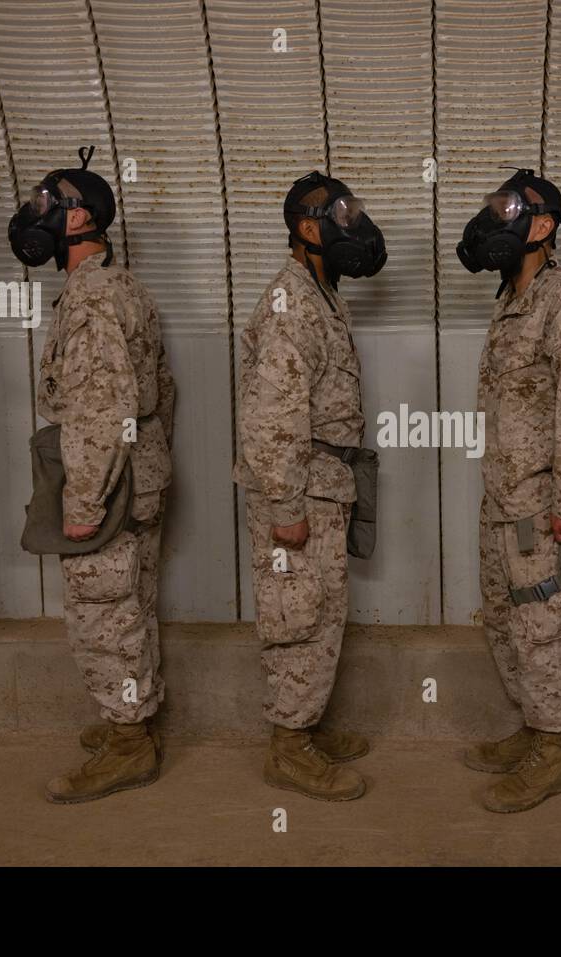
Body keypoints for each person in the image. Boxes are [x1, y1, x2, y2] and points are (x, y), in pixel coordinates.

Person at [10, 147, 175, 804]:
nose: (35, 214)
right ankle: (128, 720)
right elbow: (160, 388)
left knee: (103, 612)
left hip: (106, 483)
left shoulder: (91, 299)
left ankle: (129, 741)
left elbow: (102, 410)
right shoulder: (124, 286)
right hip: (140, 474)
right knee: (130, 605)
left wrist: (83, 501)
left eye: (49, 202)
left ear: (82, 218)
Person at [457, 168, 561, 813]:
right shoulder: (512, 300)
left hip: (546, 508)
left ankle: (550, 755)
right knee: (506, 623)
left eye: (508, 209)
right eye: (492, 207)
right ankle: (530, 731)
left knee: (544, 631)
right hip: (504, 501)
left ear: (543, 225)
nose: (493, 219)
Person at [233, 171, 385, 802]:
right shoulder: (291, 303)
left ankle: (305, 728)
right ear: (306, 228)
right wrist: (285, 504)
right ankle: (288, 749)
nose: (355, 226)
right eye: (340, 216)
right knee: (295, 615)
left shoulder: (321, 295)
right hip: (297, 489)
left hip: (324, 483)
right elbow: (270, 416)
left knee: (319, 613)